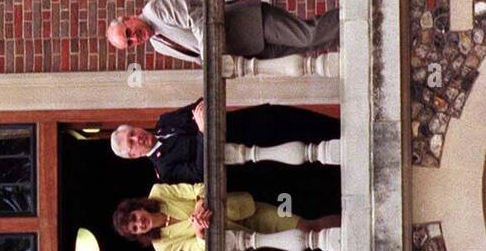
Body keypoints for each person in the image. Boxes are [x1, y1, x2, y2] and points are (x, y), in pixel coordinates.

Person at [110, 98, 341, 183]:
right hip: (249, 156)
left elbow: (198, 105)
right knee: (307, 154)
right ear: (134, 155)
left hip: (247, 122)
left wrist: (201, 121)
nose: (136, 137)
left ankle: (343, 128)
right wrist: (201, 131)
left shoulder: (164, 121)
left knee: (303, 120)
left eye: (132, 132)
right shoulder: (164, 169)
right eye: (132, 143)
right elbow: (199, 171)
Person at [111, 182, 339, 251]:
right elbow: (197, 246)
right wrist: (199, 231)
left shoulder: (158, 193)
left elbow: (197, 187)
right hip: (234, 237)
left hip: (239, 208)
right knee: (298, 246)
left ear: (138, 207)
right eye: (135, 228)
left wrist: (199, 206)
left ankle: (350, 226)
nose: (140, 223)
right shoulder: (160, 245)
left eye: (135, 217)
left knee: (305, 227)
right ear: (138, 234)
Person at [106, 0, 340, 65]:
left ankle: (355, 12)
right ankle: (348, 26)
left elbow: (196, 18)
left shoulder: (154, 10)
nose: (134, 38)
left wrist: (210, 56)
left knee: (308, 34)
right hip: (248, 49)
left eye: (128, 32)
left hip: (250, 22)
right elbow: (200, 59)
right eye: (130, 43)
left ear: (128, 18)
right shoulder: (158, 46)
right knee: (309, 45)